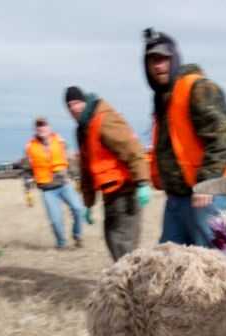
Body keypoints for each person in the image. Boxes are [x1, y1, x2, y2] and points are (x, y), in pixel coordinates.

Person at [143, 28, 226, 247]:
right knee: (170, 260)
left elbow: (223, 138)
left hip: (206, 195)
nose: (158, 65)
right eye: (153, 61)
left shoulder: (199, 88)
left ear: (174, 59)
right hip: (177, 198)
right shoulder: (163, 98)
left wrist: (206, 183)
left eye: (164, 59)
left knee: (213, 260)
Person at [64, 86, 151, 261]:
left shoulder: (103, 119)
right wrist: (88, 203)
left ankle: (131, 284)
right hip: (110, 195)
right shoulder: (83, 129)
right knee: (116, 243)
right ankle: (131, 283)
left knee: (121, 245)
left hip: (125, 190)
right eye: (69, 105)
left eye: (77, 103)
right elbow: (86, 169)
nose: (73, 108)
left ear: (85, 101)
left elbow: (132, 148)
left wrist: (142, 183)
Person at [23, 117, 86, 249]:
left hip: (64, 184)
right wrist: (28, 191)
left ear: (49, 128)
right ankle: (61, 244)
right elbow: (27, 170)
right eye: (38, 126)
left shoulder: (61, 142)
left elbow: (71, 162)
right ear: (35, 129)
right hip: (47, 189)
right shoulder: (30, 147)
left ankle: (77, 235)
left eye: (44, 125)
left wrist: (78, 180)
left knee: (78, 209)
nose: (41, 128)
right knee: (55, 220)